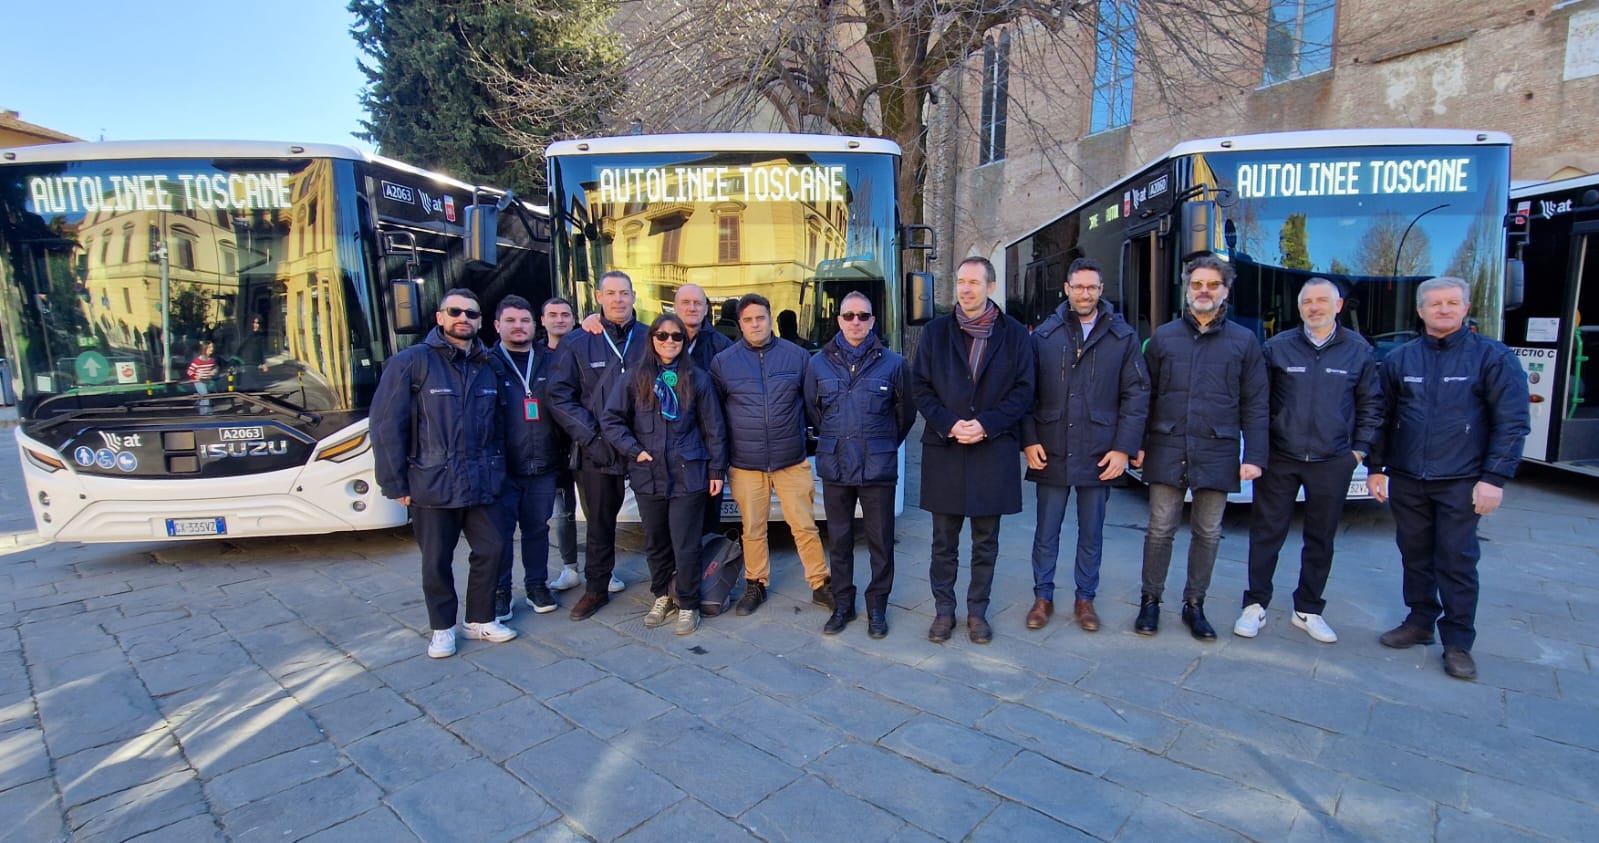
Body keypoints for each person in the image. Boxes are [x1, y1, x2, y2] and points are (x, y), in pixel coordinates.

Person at [1368, 276, 1529, 680]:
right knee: (1415, 554)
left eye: (1452, 303)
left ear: (1465, 308)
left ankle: (1458, 642)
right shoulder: (1400, 360)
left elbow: (1511, 422)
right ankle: (1420, 622)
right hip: (1408, 477)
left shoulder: (1492, 357)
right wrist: (1375, 468)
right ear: (1420, 311)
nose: (1443, 309)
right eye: (1435, 303)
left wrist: (1494, 478)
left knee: (1457, 560)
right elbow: (1381, 418)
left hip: (1463, 479)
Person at [1235, 278, 1382, 644]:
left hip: (1332, 460)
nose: (1314, 307)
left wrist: (1358, 451)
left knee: (1321, 537)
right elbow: (1256, 403)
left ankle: (1309, 609)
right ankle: (1255, 605)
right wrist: (1258, 450)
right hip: (1280, 458)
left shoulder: (1359, 351)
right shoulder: (1277, 348)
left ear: (1338, 305)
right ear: (1299, 307)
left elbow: (1371, 406)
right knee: (1266, 534)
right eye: (1307, 302)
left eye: (1322, 300)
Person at [371, 289, 516, 658]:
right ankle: (442, 628)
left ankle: (480, 619)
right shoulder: (412, 362)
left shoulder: (489, 365)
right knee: (436, 559)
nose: (462, 318)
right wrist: (395, 483)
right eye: (455, 311)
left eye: (471, 313)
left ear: (481, 322)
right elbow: (386, 425)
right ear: (440, 317)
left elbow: (500, 424)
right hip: (432, 482)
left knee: (493, 549)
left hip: (483, 481)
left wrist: (499, 470)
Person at [1134, 254, 1268, 640]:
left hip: (1218, 449)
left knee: (1208, 532)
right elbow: (1146, 395)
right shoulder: (1164, 337)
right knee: (1159, 529)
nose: (1204, 291)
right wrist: (1138, 444)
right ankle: (1150, 602)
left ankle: (1195, 605)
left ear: (1225, 291)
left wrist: (1254, 455)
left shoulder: (1244, 342)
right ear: (1187, 289)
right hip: (1167, 445)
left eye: (1212, 285)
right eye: (1197, 284)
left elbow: (1256, 403)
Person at [911, 256, 1036, 644]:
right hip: (945, 449)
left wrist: (987, 424)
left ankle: (977, 612)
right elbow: (921, 386)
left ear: (991, 287)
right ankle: (944, 611)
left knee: (986, 541)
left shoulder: (1015, 335)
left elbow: (1024, 390)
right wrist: (949, 423)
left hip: (992, 450)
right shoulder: (935, 332)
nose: (966, 289)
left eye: (974, 283)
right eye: (961, 281)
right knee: (943, 541)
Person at [1021, 258, 1149, 633]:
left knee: (1091, 531)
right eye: (1078, 287)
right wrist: (1028, 440)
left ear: (1101, 290)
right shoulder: (1044, 336)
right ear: (1066, 289)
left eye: (1092, 287)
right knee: (1046, 530)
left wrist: (1124, 448)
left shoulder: (1122, 337)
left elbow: (1137, 394)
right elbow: (1025, 393)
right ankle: (1042, 596)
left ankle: (1085, 598)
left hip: (1100, 450)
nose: (1085, 294)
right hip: (1052, 447)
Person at [601, 314, 729, 636]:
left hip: (689, 472)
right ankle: (662, 595)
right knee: (656, 541)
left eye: (676, 337)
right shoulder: (635, 378)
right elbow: (611, 420)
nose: (669, 341)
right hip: (649, 473)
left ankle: (687, 602)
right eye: (662, 336)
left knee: (686, 543)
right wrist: (634, 450)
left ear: (683, 342)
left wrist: (716, 468)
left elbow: (713, 427)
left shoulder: (696, 378)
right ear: (652, 340)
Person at [579, 283, 732, 536]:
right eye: (685, 303)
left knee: (702, 531)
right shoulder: (645, 341)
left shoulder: (722, 347)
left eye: (697, 303)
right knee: (660, 538)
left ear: (707, 309)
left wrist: (717, 463)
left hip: (699, 459)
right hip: (655, 460)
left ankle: (702, 575)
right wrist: (596, 318)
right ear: (675, 308)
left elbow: (720, 413)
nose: (692, 308)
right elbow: (617, 338)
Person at [712, 293, 832, 616]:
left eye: (760, 318)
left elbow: (811, 405)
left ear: (770, 318)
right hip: (746, 464)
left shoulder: (796, 357)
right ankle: (756, 583)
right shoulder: (723, 363)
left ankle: (820, 583)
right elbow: (718, 416)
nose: (755, 324)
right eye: (748, 320)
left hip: (790, 460)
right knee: (752, 529)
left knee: (805, 526)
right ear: (740, 324)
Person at [804, 292, 916, 638]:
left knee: (881, 542)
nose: (856, 322)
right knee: (838, 541)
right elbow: (814, 412)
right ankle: (842, 605)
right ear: (838, 320)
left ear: (873, 321)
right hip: (836, 466)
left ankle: (877, 608)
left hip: (876, 468)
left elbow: (905, 416)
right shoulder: (818, 364)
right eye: (849, 315)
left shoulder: (894, 364)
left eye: (863, 316)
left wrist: (880, 445)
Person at [549, 271, 649, 621]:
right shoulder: (578, 342)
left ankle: (667, 586)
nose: (618, 299)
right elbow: (560, 397)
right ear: (599, 297)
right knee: (600, 523)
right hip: (596, 445)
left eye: (624, 293)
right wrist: (590, 437)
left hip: (644, 447)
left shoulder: (651, 338)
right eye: (611, 293)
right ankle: (596, 589)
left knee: (658, 519)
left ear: (634, 296)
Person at [489, 295, 562, 622]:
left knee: (537, 529)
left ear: (536, 326)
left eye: (524, 321)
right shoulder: (487, 363)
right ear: (497, 326)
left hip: (543, 463)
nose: (518, 327)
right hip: (502, 467)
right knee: (500, 533)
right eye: (511, 321)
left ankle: (537, 585)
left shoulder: (551, 361)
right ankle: (501, 591)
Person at [540, 297, 617, 594]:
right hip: (552, 443)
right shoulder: (535, 353)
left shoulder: (582, 342)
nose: (559, 320)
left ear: (575, 318)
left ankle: (601, 572)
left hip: (582, 442)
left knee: (594, 511)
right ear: (542, 320)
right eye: (553, 314)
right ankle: (570, 567)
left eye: (565, 315)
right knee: (562, 512)